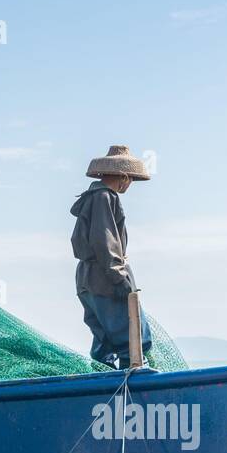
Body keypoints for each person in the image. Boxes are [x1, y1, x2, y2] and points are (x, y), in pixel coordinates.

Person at [70, 145, 152, 369]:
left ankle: (103, 386)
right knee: (132, 339)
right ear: (124, 177)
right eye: (131, 180)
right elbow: (104, 242)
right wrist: (121, 280)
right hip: (105, 279)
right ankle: (135, 388)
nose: (130, 184)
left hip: (87, 279)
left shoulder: (93, 197)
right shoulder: (105, 197)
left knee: (104, 341)